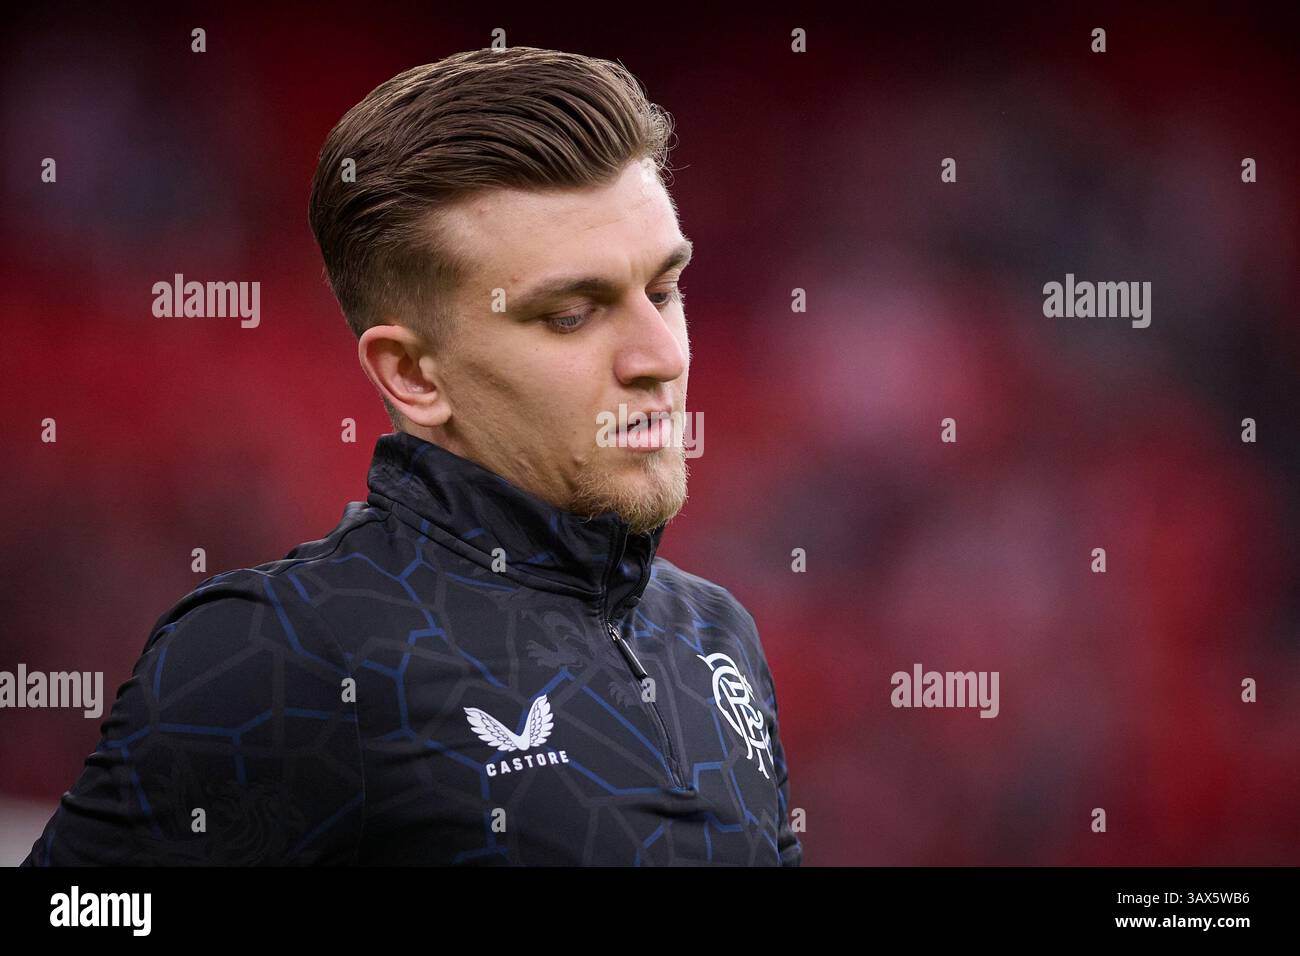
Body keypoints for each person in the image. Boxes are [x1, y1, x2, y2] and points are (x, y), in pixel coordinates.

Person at [21, 46, 801, 866]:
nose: (660, 356)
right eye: (572, 313)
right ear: (412, 374)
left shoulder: (717, 637)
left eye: (665, 291)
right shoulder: (285, 656)